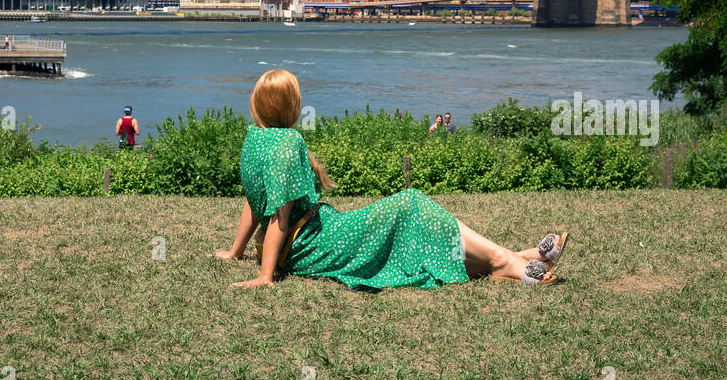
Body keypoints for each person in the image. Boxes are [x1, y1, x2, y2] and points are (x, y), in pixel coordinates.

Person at [215, 69, 568, 291]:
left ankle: (517, 258)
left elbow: (253, 200)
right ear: (290, 105)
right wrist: (265, 275)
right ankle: (507, 261)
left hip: (310, 240)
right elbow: (278, 213)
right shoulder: (288, 141)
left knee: (416, 235)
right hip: (315, 242)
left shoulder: (253, 140)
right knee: (410, 203)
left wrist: (237, 251)